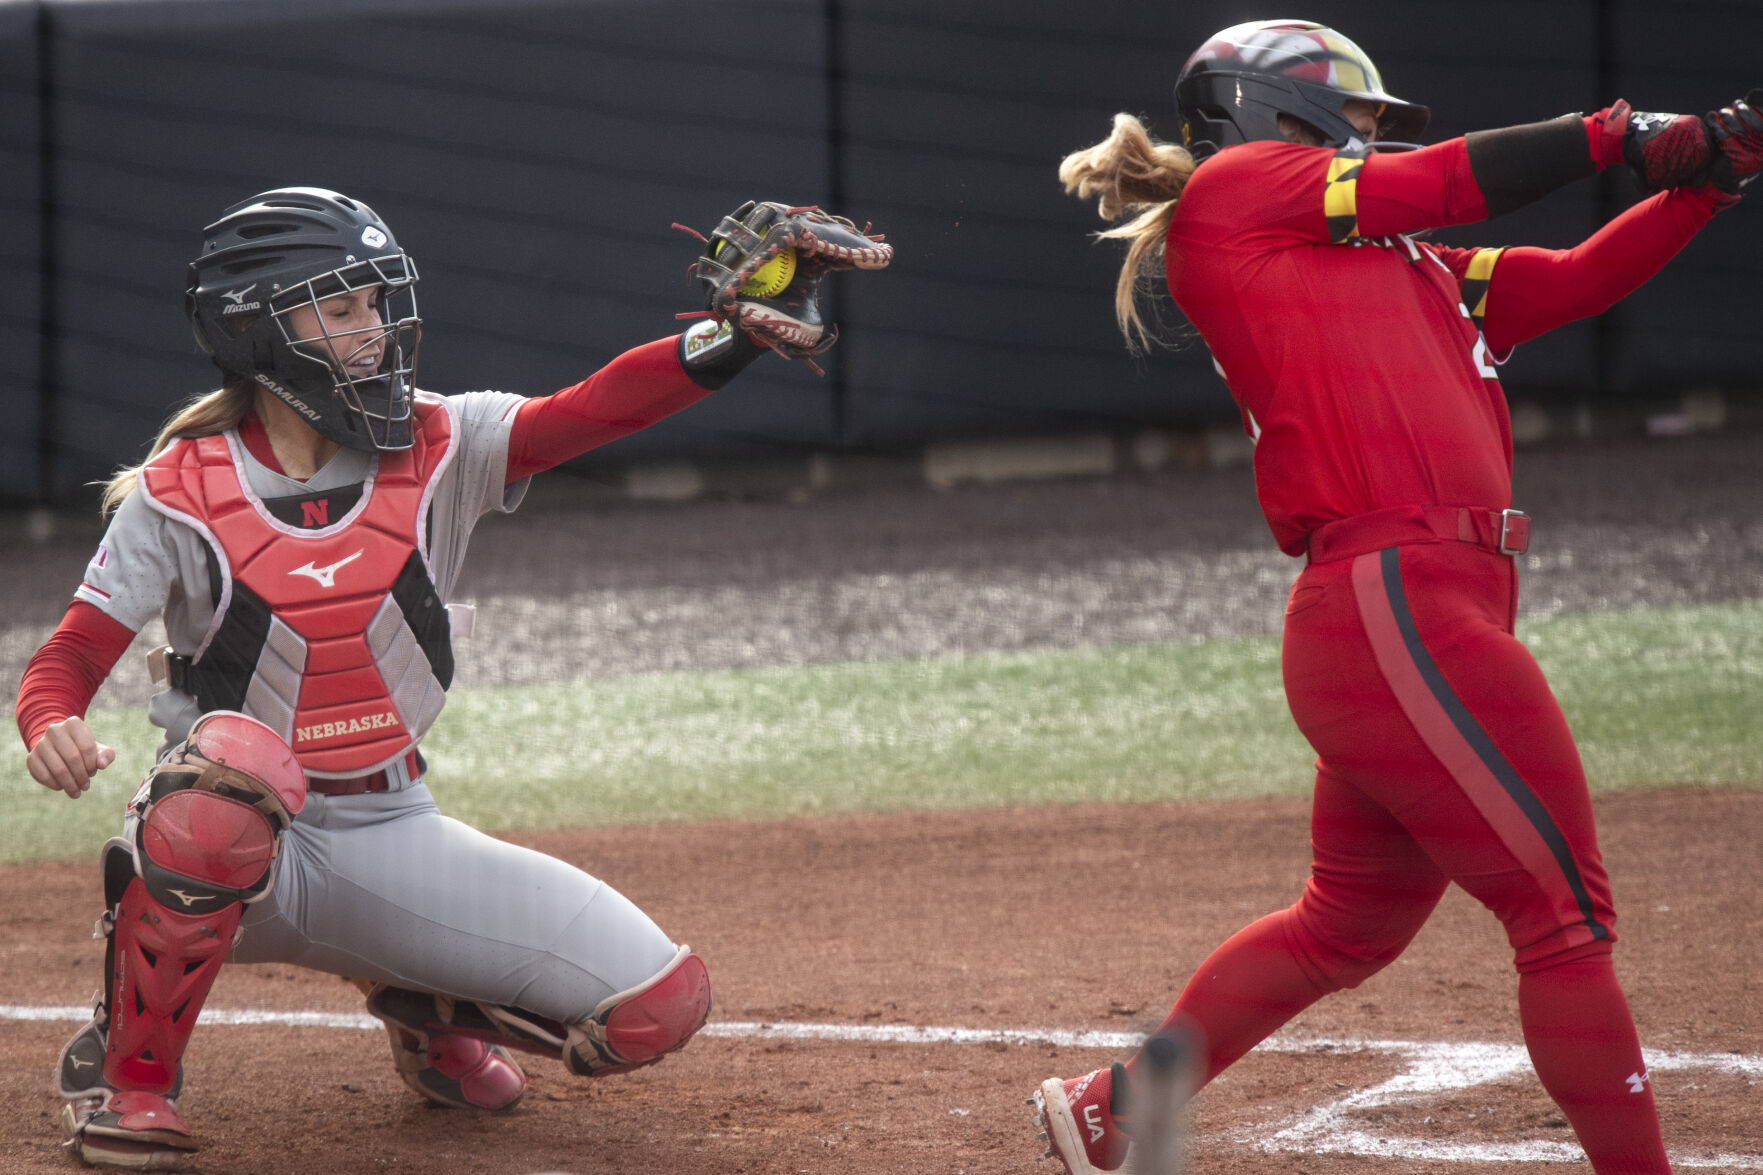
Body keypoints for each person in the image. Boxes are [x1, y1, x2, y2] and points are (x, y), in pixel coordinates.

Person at [18, 187, 889, 1169]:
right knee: (220, 787)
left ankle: (428, 1002)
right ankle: (128, 1081)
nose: (373, 329)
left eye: (377, 303)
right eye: (339, 307)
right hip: (235, 854)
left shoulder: (439, 439)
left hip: (394, 827)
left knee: (657, 1005)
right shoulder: (180, 490)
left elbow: (587, 411)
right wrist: (49, 719)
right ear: (255, 326)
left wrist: (728, 341)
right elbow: (72, 656)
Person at [1033, 19, 1760, 1175]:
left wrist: (1703, 190)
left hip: (1402, 614)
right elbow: (1450, 179)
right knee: (1563, 920)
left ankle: (1117, 1107)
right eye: (1355, 115)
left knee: (1346, 923)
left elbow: (1568, 282)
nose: (1368, 135)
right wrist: (1616, 134)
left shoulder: (1394, 259)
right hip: (1396, 600)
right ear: (1271, 112)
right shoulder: (1234, 192)